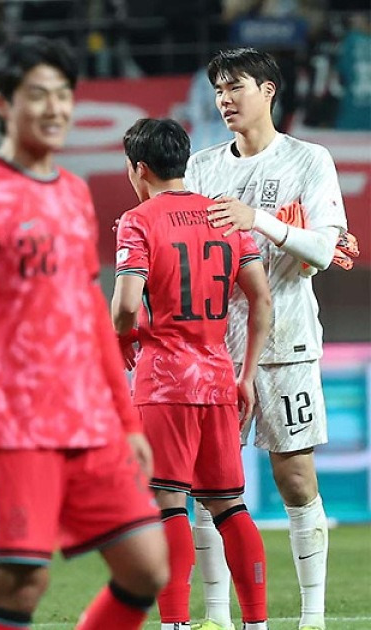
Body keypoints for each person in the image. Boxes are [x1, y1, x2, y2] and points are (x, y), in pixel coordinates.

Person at [0, 37, 168, 630]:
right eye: (38, 94)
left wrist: (124, 417)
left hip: (89, 422)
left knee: (148, 568)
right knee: (21, 584)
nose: (56, 108)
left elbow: (91, 310)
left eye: (64, 95)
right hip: (14, 428)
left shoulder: (72, 192)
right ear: (8, 105)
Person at [186, 47, 355, 630]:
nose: (225, 99)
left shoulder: (310, 160)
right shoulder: (203, 166)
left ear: (268, 90)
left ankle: (312, 618)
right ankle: (215, 616)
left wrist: (258, 219)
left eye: (235, 86)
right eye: (217, 90)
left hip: (285, 338)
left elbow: (324, 250)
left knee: (295, 476)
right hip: (215, 345)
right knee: (210, 483)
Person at [112, 118, 272, 630]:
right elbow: (261, 299)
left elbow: (125, 306)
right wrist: (245, 375)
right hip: (218, 376)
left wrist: (121, 339)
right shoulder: (226, 216)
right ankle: (257, 623)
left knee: (166, 504)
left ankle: (176, 623)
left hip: (165, 382)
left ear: (139, 168)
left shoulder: (138, 220)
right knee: (229, 506)